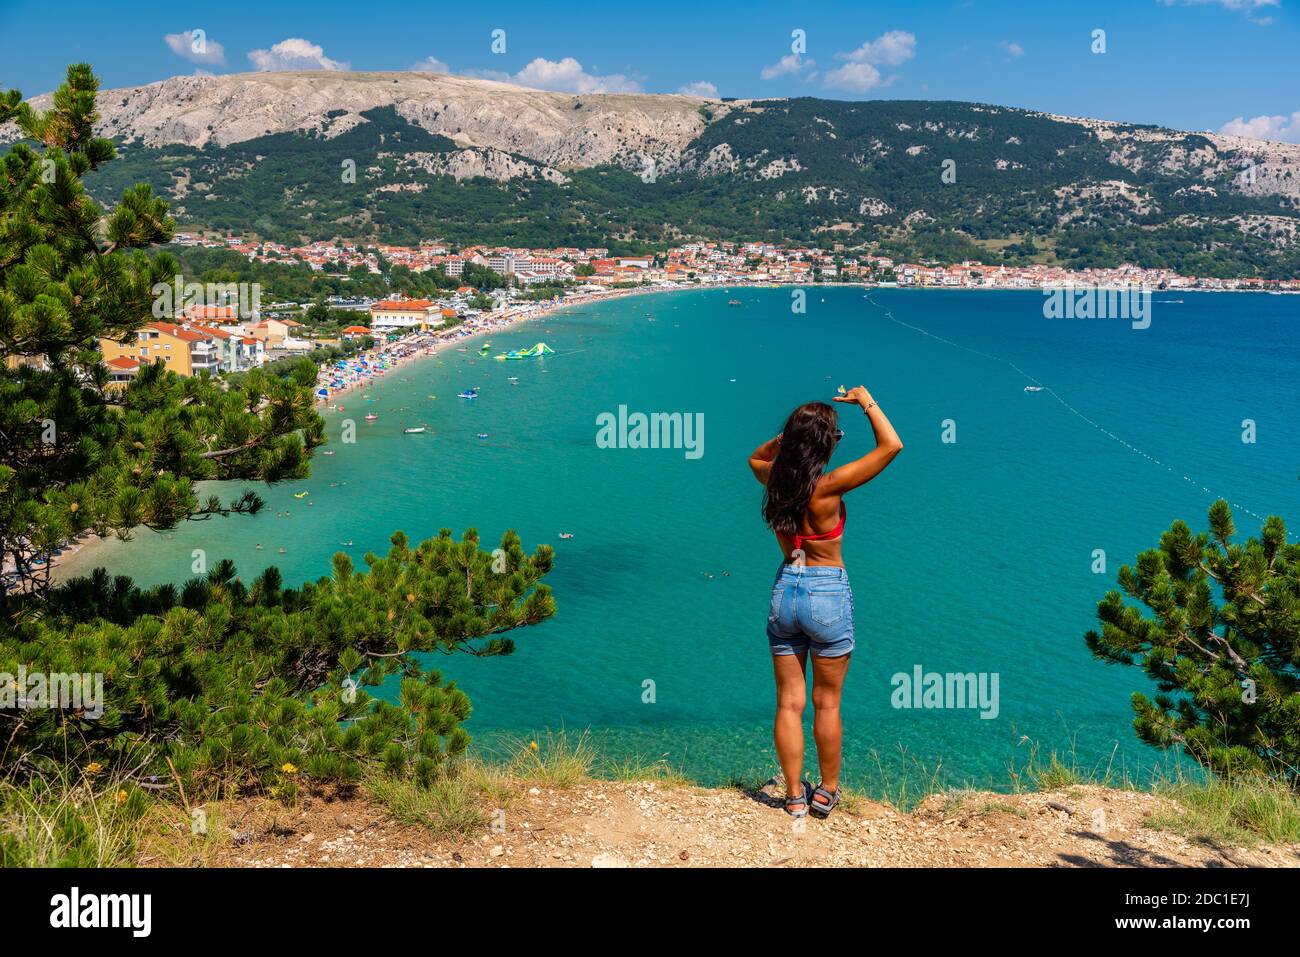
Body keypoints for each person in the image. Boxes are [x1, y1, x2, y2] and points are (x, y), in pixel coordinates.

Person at [748, 385, 903, 818]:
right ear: (825, 445)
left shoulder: (774, 477)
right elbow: (892, 445)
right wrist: (868, 401)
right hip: (827, 593)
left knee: (788, 703)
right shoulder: (830, 486)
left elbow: (754, 458)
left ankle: (794, 795)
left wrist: (790, 437)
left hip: (786, 592)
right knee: (827, 702)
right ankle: (826, 791)